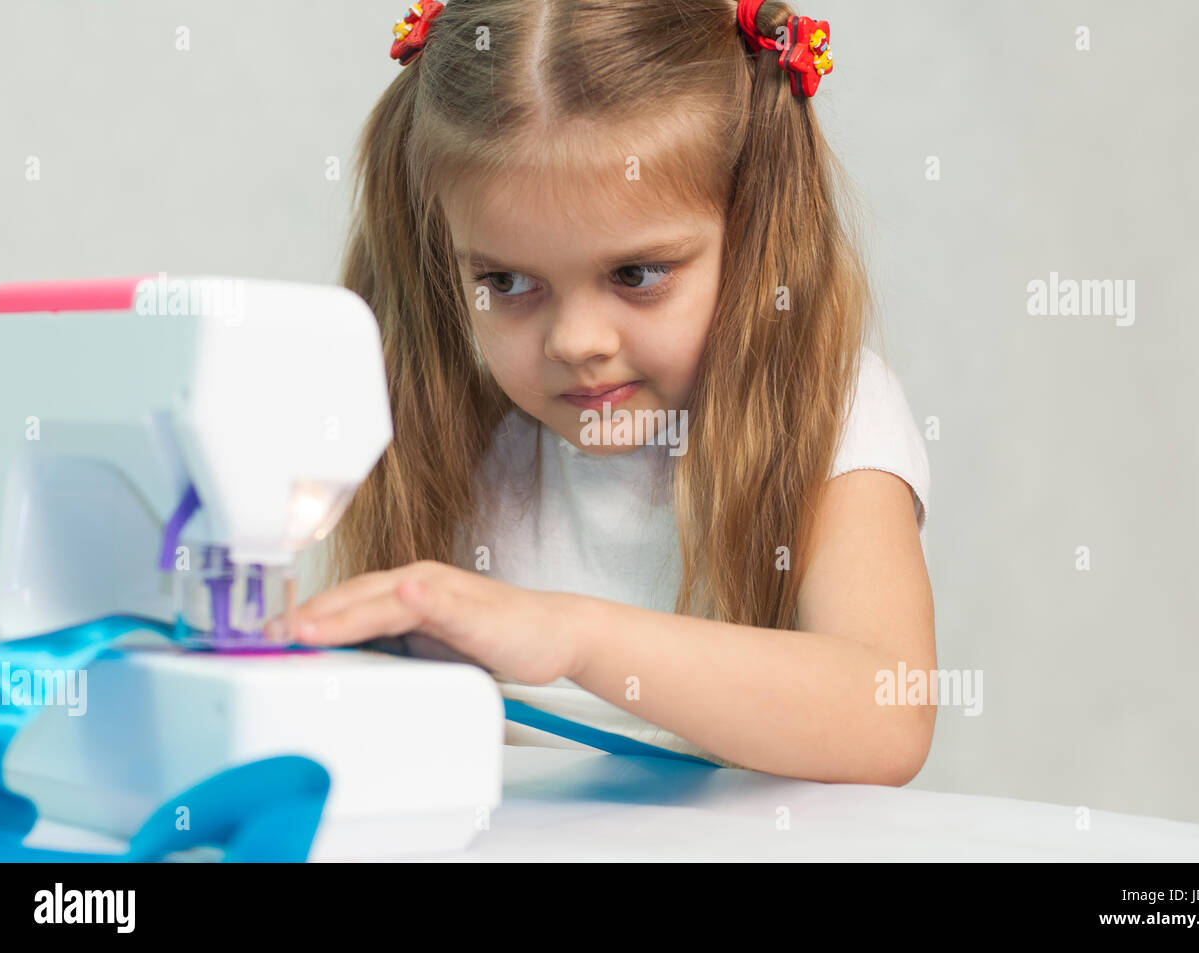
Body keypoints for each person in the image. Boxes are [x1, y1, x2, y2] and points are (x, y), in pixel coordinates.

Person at [265, 0, 935, 783]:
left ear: (751, 236)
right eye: (506, 281)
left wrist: (573, 637)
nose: (576, 342)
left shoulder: (834, 410)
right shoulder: (456, 426)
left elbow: (889, 715)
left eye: (637, 274)